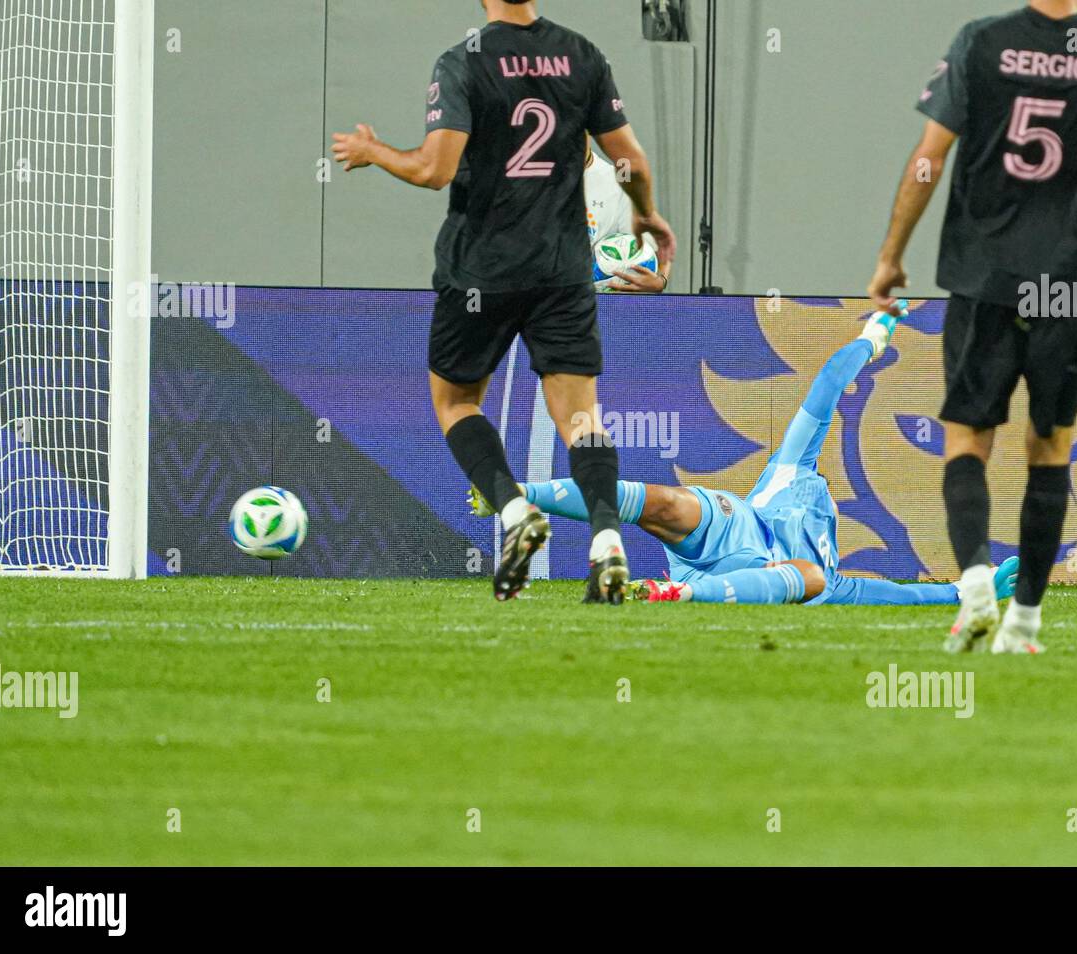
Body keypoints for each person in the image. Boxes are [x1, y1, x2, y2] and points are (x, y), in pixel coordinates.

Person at [867, 0, 1077, 652]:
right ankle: (1026, 623)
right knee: (1049, 448)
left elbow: (928, 159)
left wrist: (891, 254)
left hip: (983, 279)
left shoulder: (980, 42)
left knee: (967, 441)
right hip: (1065, 287)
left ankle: (978, 580)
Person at [331, 0, 676, 604]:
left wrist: (373, 151)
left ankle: (516, 512)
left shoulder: (462, 60)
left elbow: (435, 171)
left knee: (455, 401)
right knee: (582, 419)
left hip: (480, 273)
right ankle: (606, 544)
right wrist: (648, 216)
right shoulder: (582, 53)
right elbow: (629, 160)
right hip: (561, 271)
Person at [472, 305, 1020, 607]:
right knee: (669, 503)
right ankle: (520, 495)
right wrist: (875, 336)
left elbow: (898, 596)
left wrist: (960, 590)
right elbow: (828, 384)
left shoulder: (835, 572)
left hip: (762, 572)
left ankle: (675, 594)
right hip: (735, 527)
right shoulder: (793, 470)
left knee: (812, 580)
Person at [584, 137, 670, 293]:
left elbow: (657, 247)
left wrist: (660, 280)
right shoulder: (533, 180)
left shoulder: (618, 183)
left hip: (594, 305)